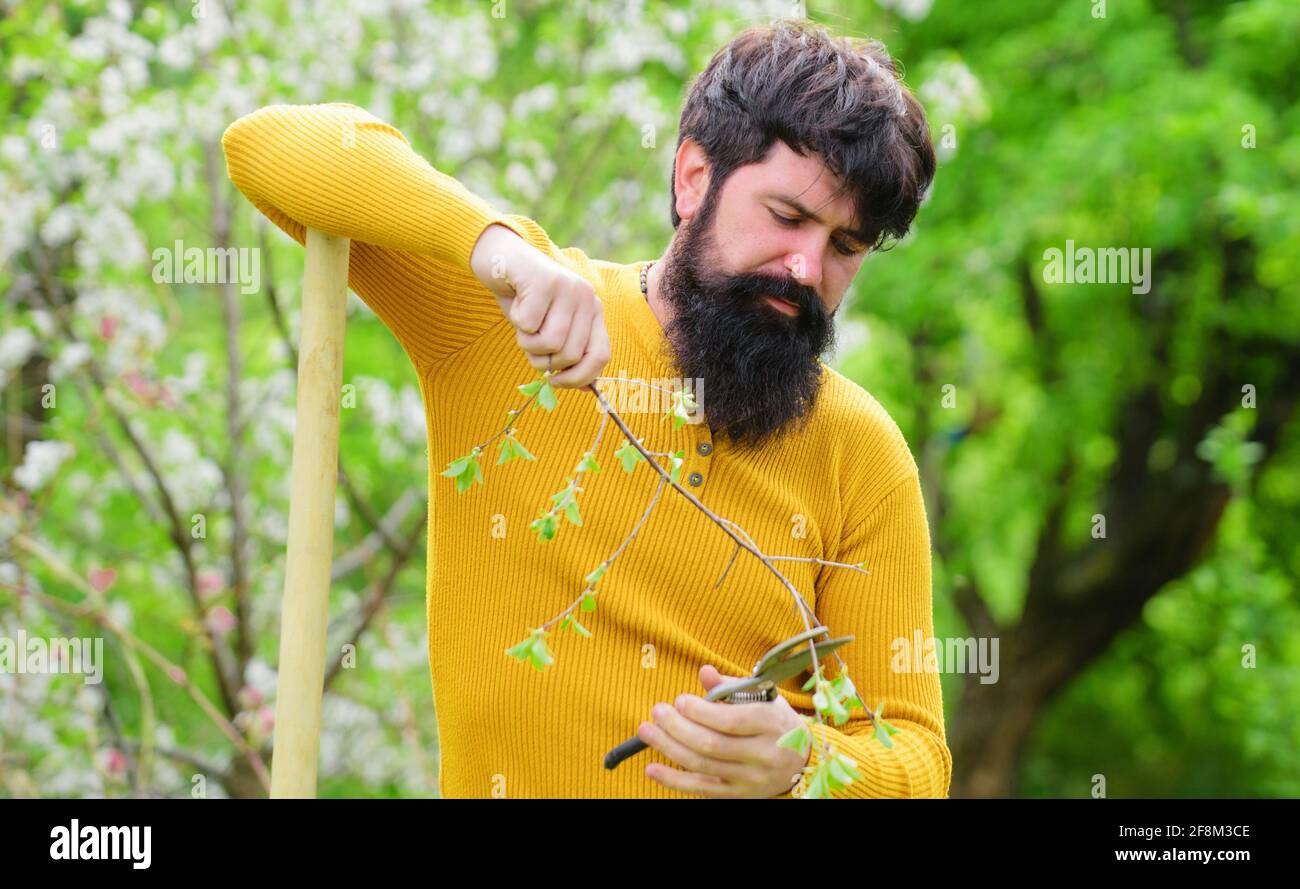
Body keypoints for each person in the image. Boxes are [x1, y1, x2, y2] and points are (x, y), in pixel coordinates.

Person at [222, 17, 947, 798]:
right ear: (693, 177)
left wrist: (803, 763)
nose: (807, 267)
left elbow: (918, 757)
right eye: (788, 217)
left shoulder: (862, 452)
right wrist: (494, 249)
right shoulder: (512, 318)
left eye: (845, 246)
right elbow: (267, 145)